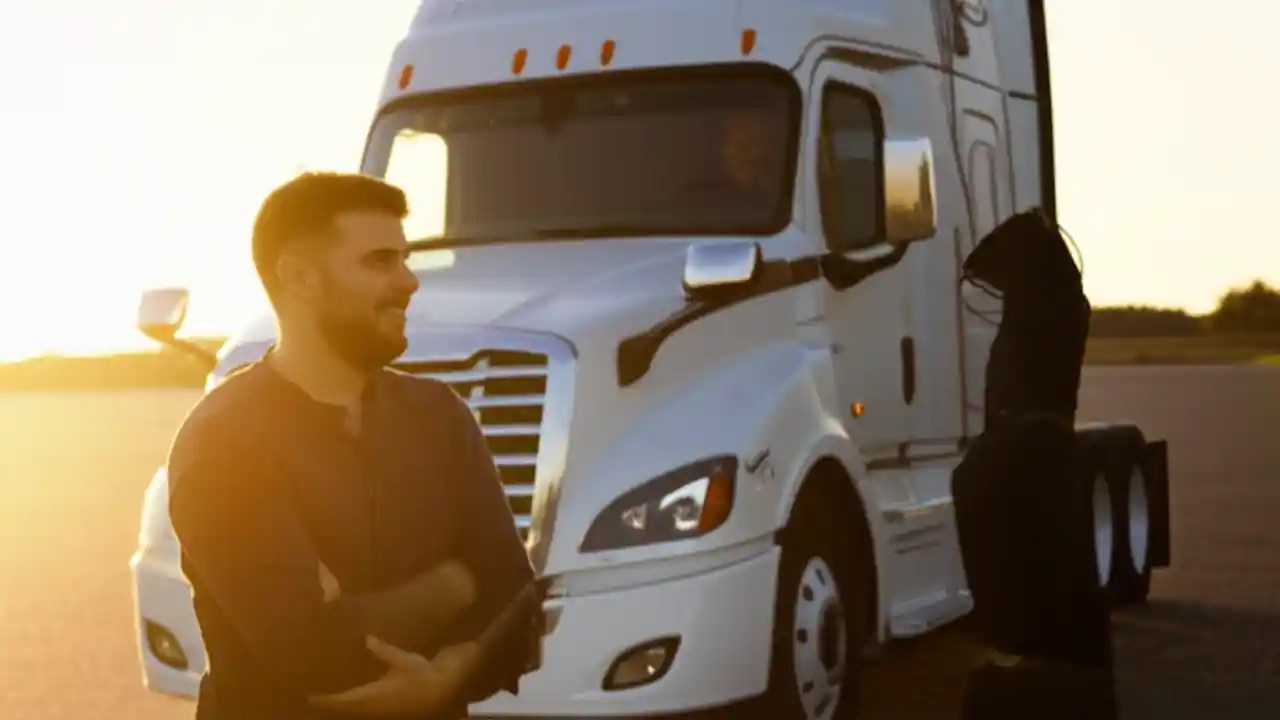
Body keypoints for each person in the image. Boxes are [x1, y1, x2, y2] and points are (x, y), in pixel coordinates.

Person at [166, 172, 537, 719]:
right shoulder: (225, 443)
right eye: (379, 261)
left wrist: (450, 673)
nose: (409, 282)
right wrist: (451, 585)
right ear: (300, 278)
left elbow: (517, 601)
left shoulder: (440, 416)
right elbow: (309, 653)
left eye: (405, 260)